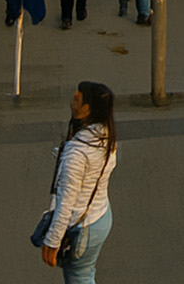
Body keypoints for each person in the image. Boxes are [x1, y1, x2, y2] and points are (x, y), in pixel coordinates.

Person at [41, 82, 117, 284]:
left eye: (77, 99)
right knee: (85, 274)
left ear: (87, 109)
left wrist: (52, 240)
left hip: (83, 227)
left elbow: (66, 203)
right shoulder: (106, 134)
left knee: (79, 278)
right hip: (100, 216)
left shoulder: (77, 153)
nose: (72, 101)